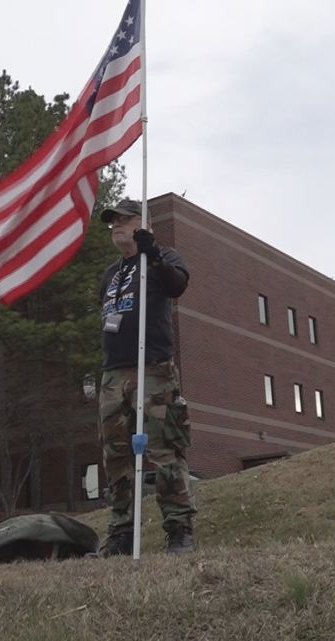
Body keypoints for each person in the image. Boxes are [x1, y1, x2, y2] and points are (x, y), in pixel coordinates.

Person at [96, 198, 196, 556]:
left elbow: (177, 287)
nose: (116, 225)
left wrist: (151, 255)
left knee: (164, 449)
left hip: (152, 369)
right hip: (113, 375)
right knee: (116, 455)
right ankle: (122, 532)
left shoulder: (163, 258)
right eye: (113, 222)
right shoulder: (111, 273)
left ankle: (179, 529)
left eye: (125, 219)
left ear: (145, 224)